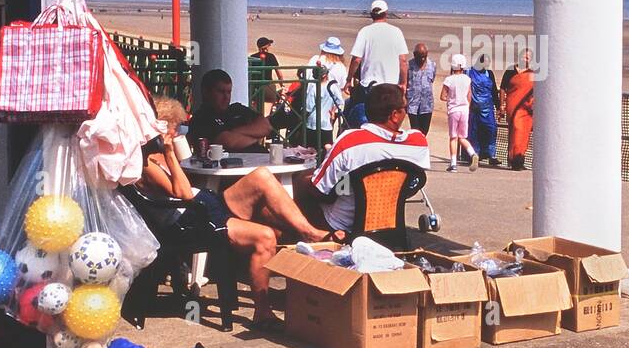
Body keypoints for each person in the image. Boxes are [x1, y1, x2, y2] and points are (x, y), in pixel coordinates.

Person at [139, 96, 328, 330]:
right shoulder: (146, 161)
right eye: (174, 126)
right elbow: (183, 193)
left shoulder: (160, 154)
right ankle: (262, 311)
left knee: (262, 177)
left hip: (203, 204)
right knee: (266, 235)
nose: (177, 131)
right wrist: (169, 153)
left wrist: (173, 154)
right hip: (189, 219)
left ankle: (308, 233)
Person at [296, 84, 432, 233]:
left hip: (341, 225)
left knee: (300, 182)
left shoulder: (350, 142)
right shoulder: (418, 143)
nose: (406, 113)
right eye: (405, 108)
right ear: (394, 115)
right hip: (388, 224)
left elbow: (319, 190)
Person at [187, 69, 273, 153]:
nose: (226, 97)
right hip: (228, 165)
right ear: (206, 92)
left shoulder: (236, 109)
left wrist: (235, 132)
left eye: (229, 92)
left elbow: (266, 126)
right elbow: (228, 141)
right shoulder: (200, 118)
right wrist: (255, 134)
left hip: (260, 160)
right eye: (221, 92)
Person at [347, 0, 409, 93]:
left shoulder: (365, 31)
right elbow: (403, 60)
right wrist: (404, 83)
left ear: (371, 14)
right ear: (386, 13)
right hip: (391, 85)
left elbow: (356, 59)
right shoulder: (396, 32)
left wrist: (349, 79)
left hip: (369, 85)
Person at [303, 36, 348, 146]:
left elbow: (306, 78)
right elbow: (341, 86)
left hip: (311, 99)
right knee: (326, 137)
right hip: (330, 107)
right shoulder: (340, 67)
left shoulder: (315, 59)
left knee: (311, 139)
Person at [440, 54, 480, 173]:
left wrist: (451, 99)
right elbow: (469, 96)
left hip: (453, 110)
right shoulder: (467, 79)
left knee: (453, 137)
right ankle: (472, 153)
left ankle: (453, 164)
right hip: (464, 110)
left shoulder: (449, 79)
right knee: (462, 136)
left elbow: (443, 96)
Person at [500, 50, 535, 170]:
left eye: (528, 57)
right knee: (515, 130)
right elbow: (503, 88)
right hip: (513, 105)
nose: (526, 59)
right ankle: (513, 159)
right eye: (524, 56)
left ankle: (519, 160)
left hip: (526, 108)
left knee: (523, 133)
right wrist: (501, 105)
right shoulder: (511, 70)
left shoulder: (532, 74)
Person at [466, 55, 500, 166]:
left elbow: (494, 91)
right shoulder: (469, 72)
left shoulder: (489, 74)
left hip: (487, 108)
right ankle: (474, 154)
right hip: (473, 108)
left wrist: (498, 106)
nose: (486, 66)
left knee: (491, 130)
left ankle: (491, 155)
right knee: (473, 132)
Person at [405, 42, 437, 135]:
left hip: (427, 105)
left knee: (424, 132)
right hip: (412, 104)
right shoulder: (408, 66)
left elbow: (432, 79)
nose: (422, 59)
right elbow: (405, 82)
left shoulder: (432, 65)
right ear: (414, 55)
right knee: (415, 132)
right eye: (420, 56)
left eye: (424, 56)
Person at [248, 36, 284, 112]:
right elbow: (279, 74)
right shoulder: (271, 57)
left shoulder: (253, 57)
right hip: (268, 87)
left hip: (256, 88)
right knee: (267, 112)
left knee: (257, 113)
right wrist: (282, 85)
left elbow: (250, 75)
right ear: (266, 46)